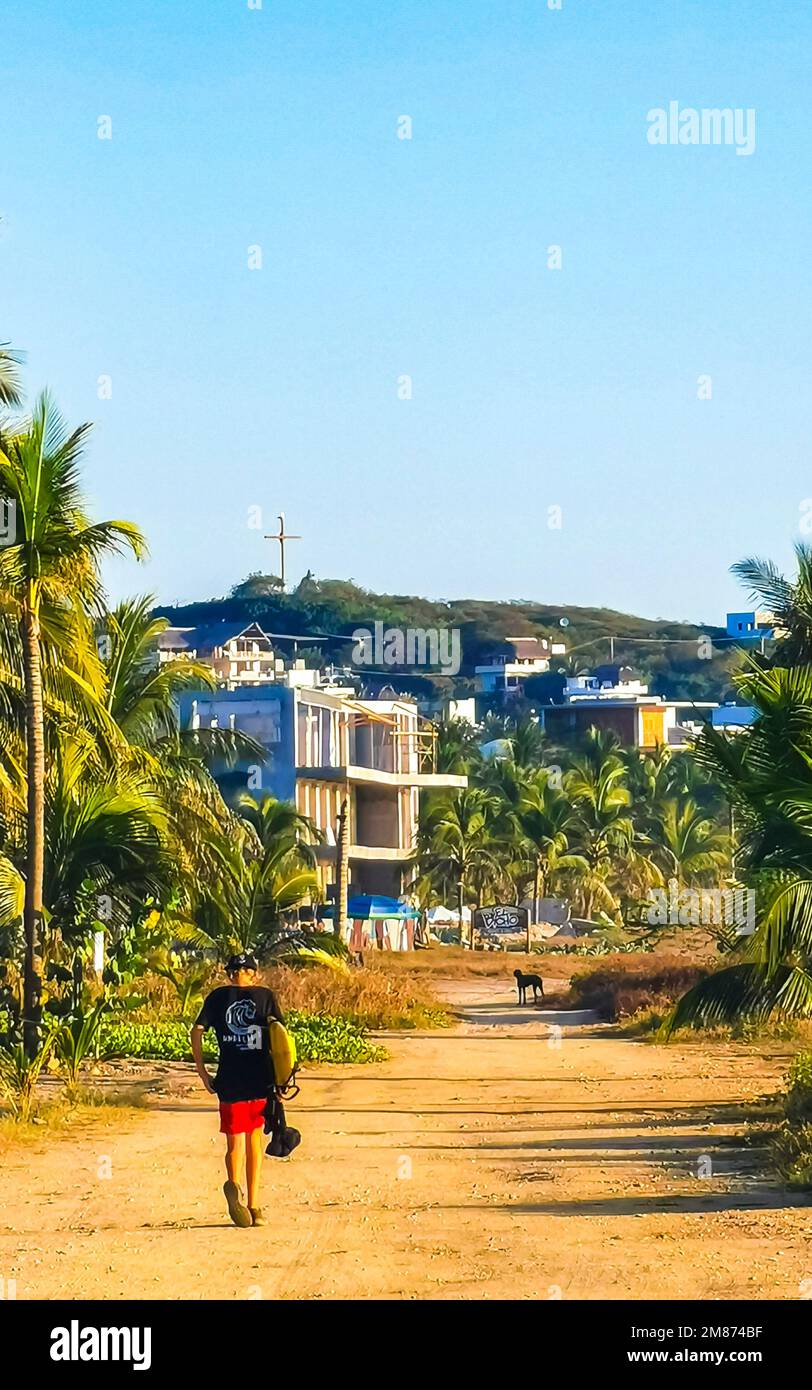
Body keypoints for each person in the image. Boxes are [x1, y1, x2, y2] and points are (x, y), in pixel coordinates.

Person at [190, 952, 284, 1228]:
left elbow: (197, 1031)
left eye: (238, 970)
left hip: (234, 1079)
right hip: (258, 1079)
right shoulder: (264, 997)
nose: (238, 974)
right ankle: (253, 1205)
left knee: (237, 1144)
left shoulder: (219, 997)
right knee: (253, 1142)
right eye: (237, 970)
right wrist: (282, 1080)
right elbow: (281, 1041)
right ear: (254, 973)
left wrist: (202, 1071)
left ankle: (237, 1189)